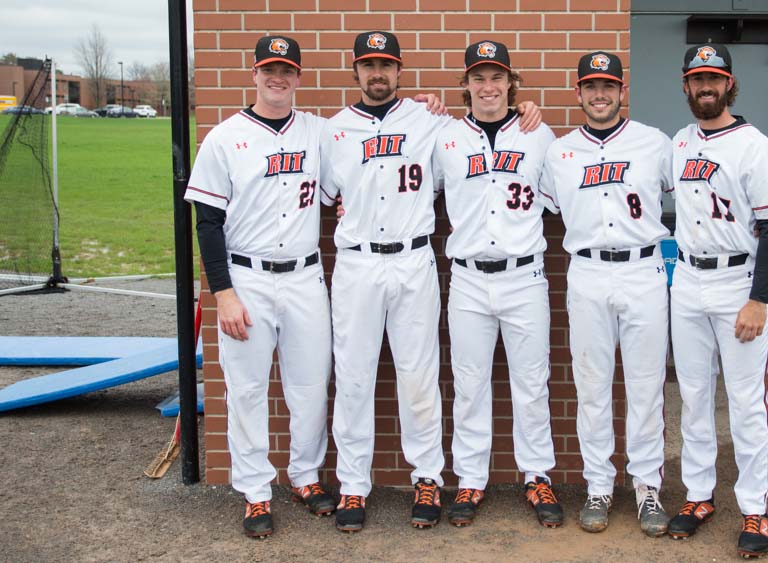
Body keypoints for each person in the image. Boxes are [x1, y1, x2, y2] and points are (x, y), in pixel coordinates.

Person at [318, 31, 541, 532]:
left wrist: (525, 109)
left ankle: (426, 477)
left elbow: (480, 150)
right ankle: (353, 485)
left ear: (399, 70)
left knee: (418, 377)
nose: (378, 74)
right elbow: (327, 193)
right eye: (368, 65)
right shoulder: (333, 132)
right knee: (354, 378)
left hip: (414, 259)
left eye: (386, 65)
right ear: (354, 71)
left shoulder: (431, 122)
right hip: (356, 263)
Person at [184, 35, 335, 538]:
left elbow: (375, 135)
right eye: (270, 69)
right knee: (246, 390)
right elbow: (207, 223)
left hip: (306, 276)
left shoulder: (318, 131)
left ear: (298, 77)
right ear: (254, 74)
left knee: (310, 384)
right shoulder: (224, 137)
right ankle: (254, 491)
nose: (278, 78)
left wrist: (427, 106)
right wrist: (222, 292)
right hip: (245, 278)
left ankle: (305, 476)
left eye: (287, 70)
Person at [538, 51, 672, 538]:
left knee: (645, 384)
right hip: (588, 272)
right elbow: (547, 206)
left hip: (643, 271)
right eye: (591, 86)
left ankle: (647, 487)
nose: (600, 94)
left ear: (622, 91)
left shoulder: (654, 143)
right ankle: (599, 484)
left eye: (608, 86)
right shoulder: (559, 151)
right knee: (592, 386)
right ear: (578, 93)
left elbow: (693, 195)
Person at [665, 44, 768, 559]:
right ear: (686, 85)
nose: (706, 87)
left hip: (739, 281)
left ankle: (754, 506)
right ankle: (698, 496)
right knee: (693, 396)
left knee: (745, 403)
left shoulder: (757, 147)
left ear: (730, 84)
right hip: (688, 280)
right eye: (697, 79)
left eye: (714, 78)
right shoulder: (679, 141)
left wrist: (759, 299)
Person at [431, 40, 562, 528]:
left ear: (512, 83)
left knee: (532, 384)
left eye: (497, 77)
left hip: (524, 275)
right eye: (478, 77)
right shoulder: (444, 137)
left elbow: (556, 201)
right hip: (466, 278)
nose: (488, 86)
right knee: (469, 385)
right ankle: (470, 479)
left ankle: (537, 475)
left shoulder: (539, 134)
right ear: (465, 85)